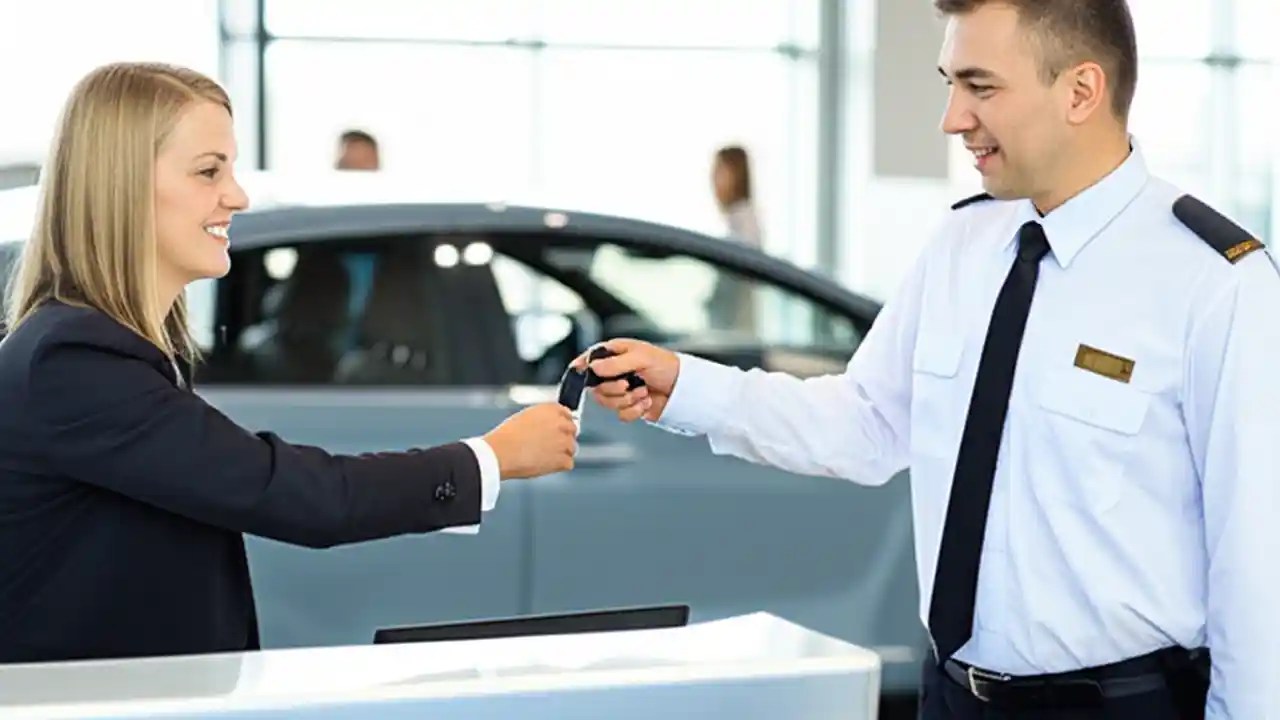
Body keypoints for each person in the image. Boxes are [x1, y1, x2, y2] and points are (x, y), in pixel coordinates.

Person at [581, 1, 1279, 718]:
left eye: (981, 87)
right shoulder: (962, 246)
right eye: (951, 83)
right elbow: (868, 422)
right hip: (949, 695)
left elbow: (1258, 564)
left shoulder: (1214, 283)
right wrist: (689, 389)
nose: (952, 118)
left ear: (1081, 90)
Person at [0, 62, 577, 664]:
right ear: (118, 188)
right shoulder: (73, 363)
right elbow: (293, 494)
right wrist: (493, 457)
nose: (237, 195)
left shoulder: (107, 349)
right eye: (208, 171)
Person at [707, 145, 763, 335]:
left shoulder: (745, 225)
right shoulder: (737, 222)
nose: (712, 180)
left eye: (719, 171)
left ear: (737, 174)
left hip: (736, 336)